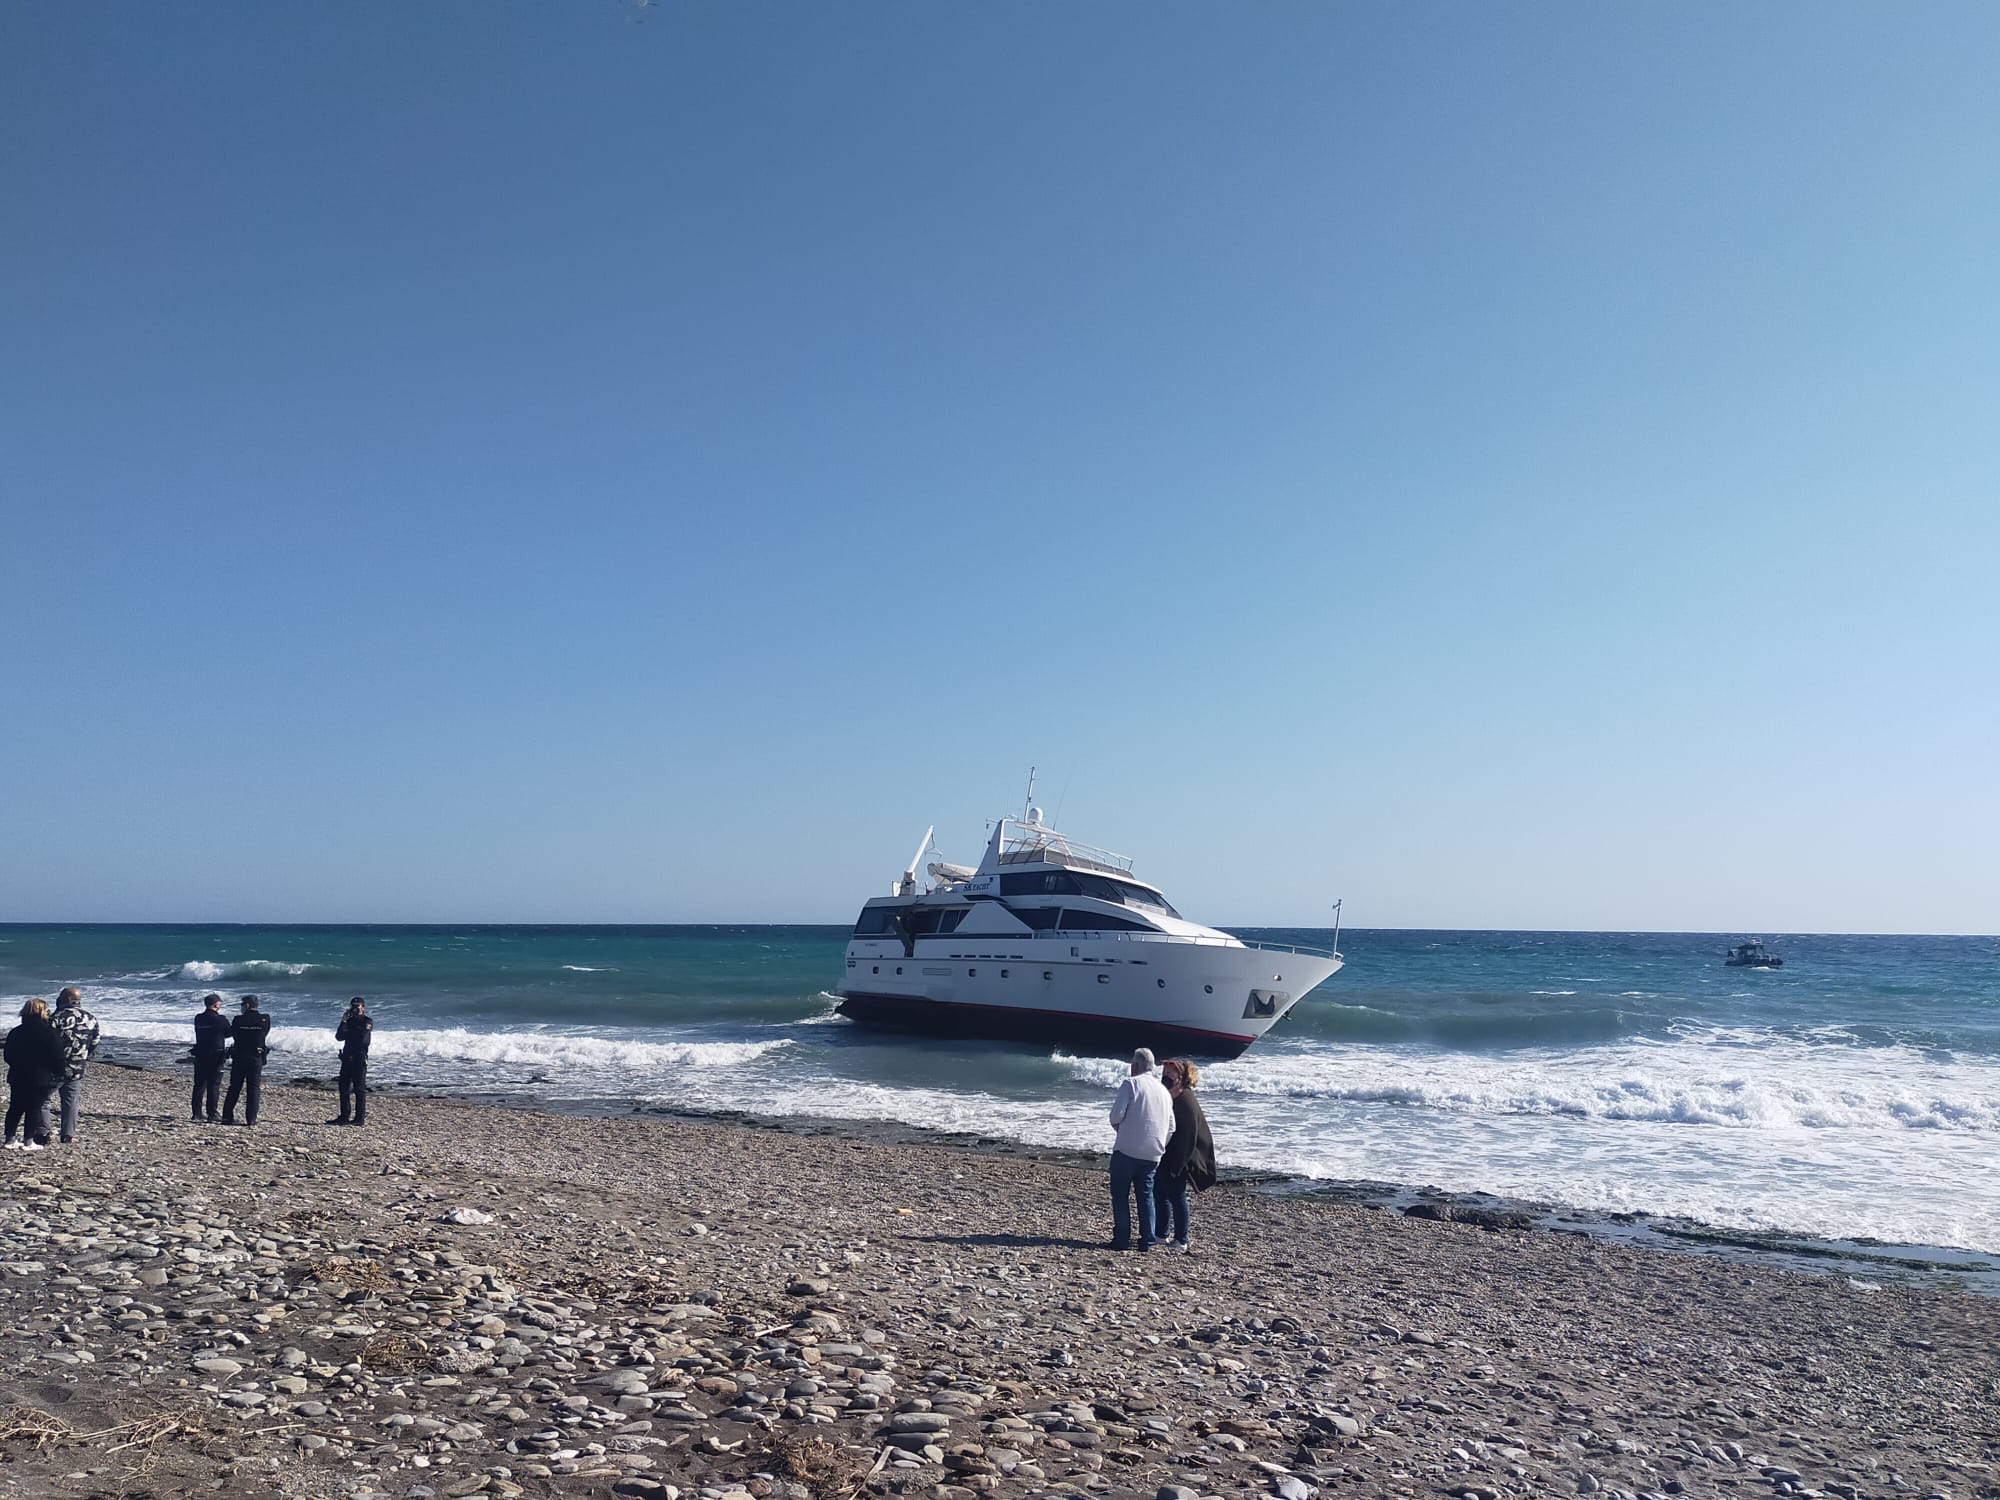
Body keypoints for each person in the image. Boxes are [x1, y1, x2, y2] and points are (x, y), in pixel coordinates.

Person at [1106, 1046, 1174, 1251]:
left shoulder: (1131, 1084)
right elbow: (1171, 1127)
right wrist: (1159, 1143)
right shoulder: (1163, 1091)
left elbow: (1116, 1115)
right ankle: (1148, 1238)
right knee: (1145, 1195)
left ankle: (1122, 1239)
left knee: (1120, 1195)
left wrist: (1121, 1129)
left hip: (1128, 1149)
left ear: (1134, 1066)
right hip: (1153, 1152)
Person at [1152, 1058, 1216, 1254]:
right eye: (1163, 1073)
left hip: (1182, 1157)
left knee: (1177, 1196)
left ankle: (1181, 1239)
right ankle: (1161, 1234)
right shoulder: (1171, 1096)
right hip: (1167, 1152)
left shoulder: (1185, 1100)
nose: (1165, 1076)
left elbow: (1189, 1137)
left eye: (1169, 1073)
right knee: (1160, 1194)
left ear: (1180, 1077)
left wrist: (1177, 1165)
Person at [3, 999, 65, 1152]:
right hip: (41, 1076)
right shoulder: (49, 1032)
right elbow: (57, 1056)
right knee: (34, 1108)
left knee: (15, 1107)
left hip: (18, 1074)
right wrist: (59, 1072)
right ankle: (28, 1141)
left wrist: (18, 1064)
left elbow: (8, 1055)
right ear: (41, 1011)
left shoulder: (16, 1031)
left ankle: (9, 1139)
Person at [51, 987, 101, 1144]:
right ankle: (68, 1134)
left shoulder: (56, 1017)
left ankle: (43, 1132)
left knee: (44, 1100)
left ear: (65, 999)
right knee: (71, 1101)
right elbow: (95, 1042)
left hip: (53, 1066)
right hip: (77, 1066)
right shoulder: (91, 1018)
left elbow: (46, 1040)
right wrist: (84, 1055)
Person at [221, 995, 271, 1125]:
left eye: (242, 1005)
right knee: (253, 1088)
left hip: (240, 1056)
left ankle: (226, 1116)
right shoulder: (264, 1019)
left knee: (235, 1087)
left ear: (247, 1005)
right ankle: (251, 1119)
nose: (241, 1008)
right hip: (256, 1056)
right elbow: (264, 1034)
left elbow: (234, 1033)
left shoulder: (238, 1019)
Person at [331, 997, 372, 1126]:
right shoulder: (348, 1021)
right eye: (353, 1006)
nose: (355, 1009)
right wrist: (343, 1021)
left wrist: (350, 1031)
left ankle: (359, 1119)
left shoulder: (367, 1021)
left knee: (359, 1089)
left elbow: (363, 1039)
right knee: (343, 1087)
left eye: (358, 1006)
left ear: (363, 1008)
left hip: (359, 1058)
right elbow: (339, 1037)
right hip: (347, 1057)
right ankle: (344, 1116)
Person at [191, 993, 230, 1122]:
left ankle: (196, 1113)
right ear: (216, 1004)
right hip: (215, 1055)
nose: (220, 1005)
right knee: (213, 1085)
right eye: (219, 1003)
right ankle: (212, 1113)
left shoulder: (199, 1018)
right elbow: (228, 1033)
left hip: (201, 1053)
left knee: (199, 1085)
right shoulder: (220, 1019)